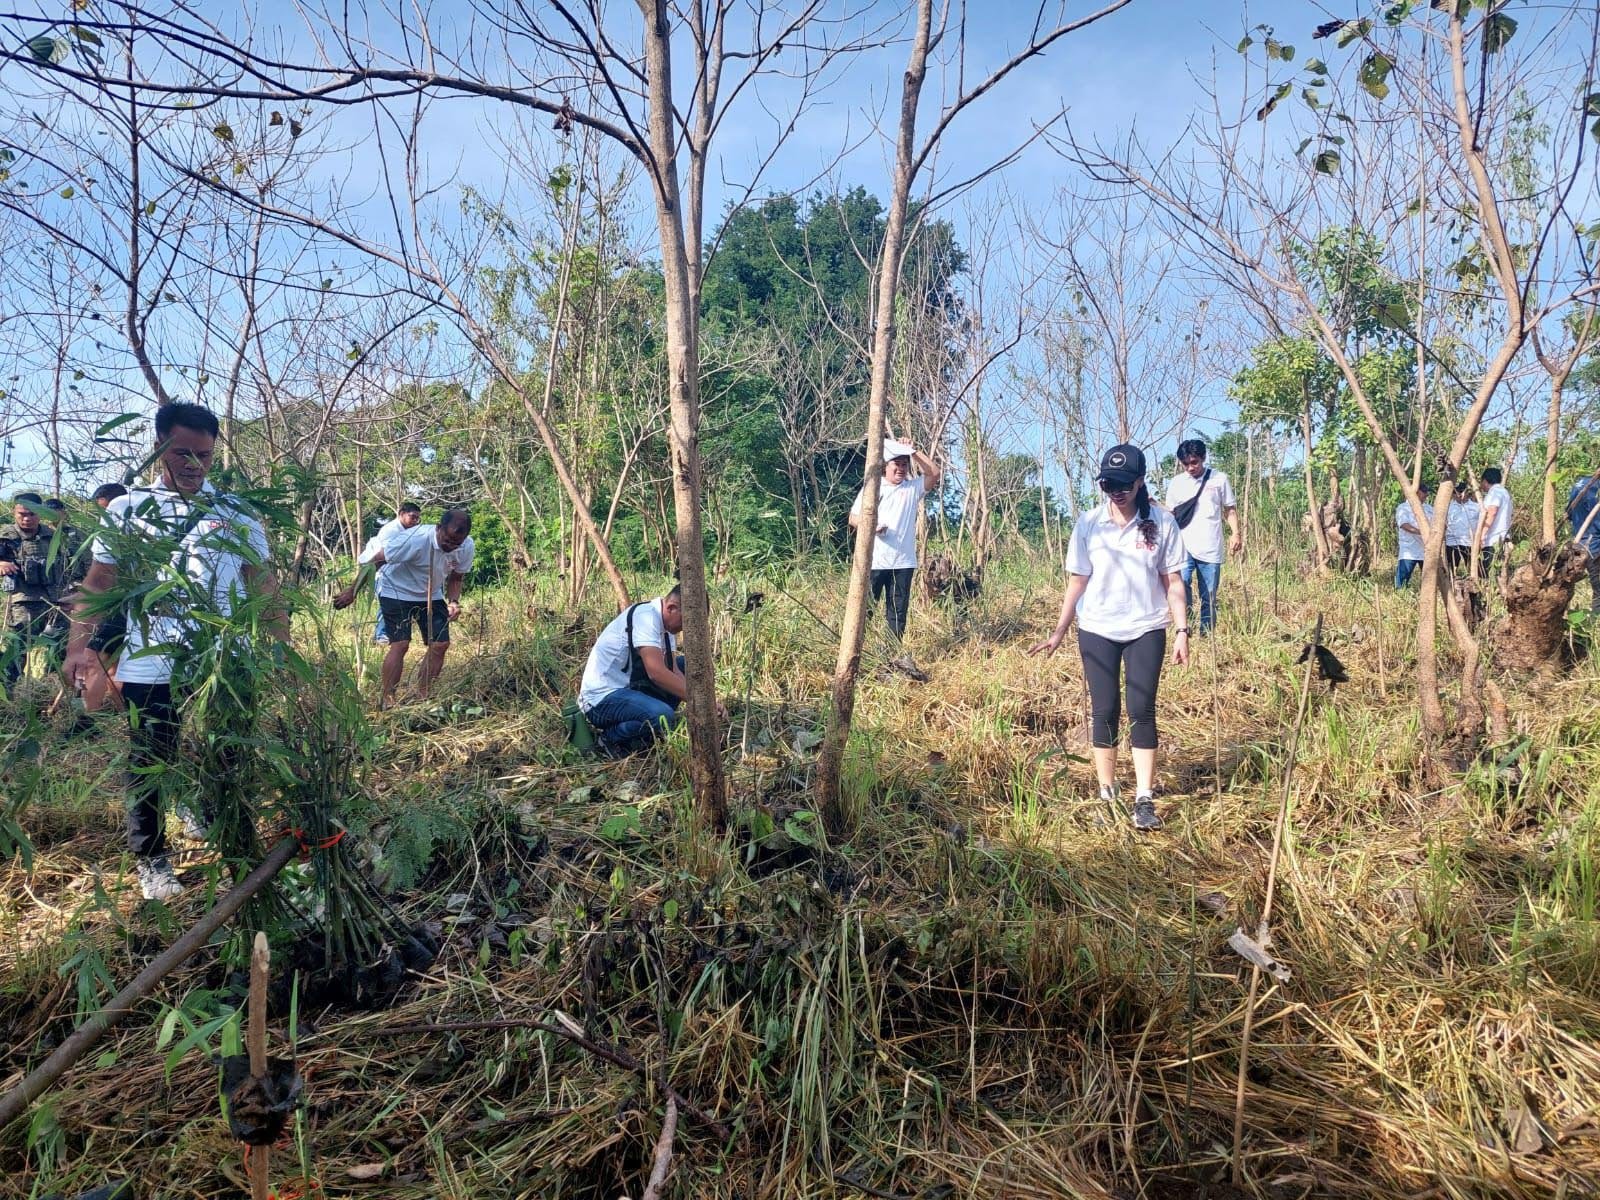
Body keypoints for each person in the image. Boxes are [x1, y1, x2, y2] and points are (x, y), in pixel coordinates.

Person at [63, 403, 282, 901]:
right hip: (151, 659)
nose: (193, 465)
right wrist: (79, 648)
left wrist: (279, 653)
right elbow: (100, 581)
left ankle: (228, 834)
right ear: (160, 446)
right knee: (149, 758)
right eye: (181, 453)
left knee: (229, 752)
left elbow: (263, 588)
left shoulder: (238, 511)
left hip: (225, 659)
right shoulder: (127, 510)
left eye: (204, 455)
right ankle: (152, 859)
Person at [1028, 444, 1188, 832]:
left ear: (1139, 482)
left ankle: (1144, 797)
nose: (1115, 492)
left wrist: (1182, 630)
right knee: (1104, 709)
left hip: (1146, 627)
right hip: (1097, 628)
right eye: (1108, 484)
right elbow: (1077, 581)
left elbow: (1174, 581)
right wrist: (1059, 631)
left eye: (1123, 485)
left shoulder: (1163, 523)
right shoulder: (1088, 523)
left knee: (1141, 709)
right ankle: (1107, 793)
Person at [333, 509, 473, 707]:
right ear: (438, 528)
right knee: (401, 644)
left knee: (440, 644)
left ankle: (422, 694)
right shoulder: (415, 539)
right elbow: (376, 560)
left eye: (456, 543)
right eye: (447, 539)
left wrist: (453, 602)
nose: (450, 546)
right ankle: (388, 697)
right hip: (395, 590)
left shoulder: (466, 547)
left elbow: (457, 577)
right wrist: (352, 591)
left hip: (431, 595)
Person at [577, 584, 720, 756]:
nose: (684, 629)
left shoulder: (666, 627)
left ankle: (649, 727)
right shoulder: (647, 618)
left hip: (627, 689)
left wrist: (707, 700)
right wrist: (703, 703)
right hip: (601, 701)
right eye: (685, 622)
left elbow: (673, 669)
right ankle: (610, 738)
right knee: (662, 716)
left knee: (687, 665)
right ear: (671, 608)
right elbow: (656, 673)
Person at [848, 437, 941, 648]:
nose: (900, 469)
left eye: (904, 464)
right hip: (874, 562)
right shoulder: (873, 488)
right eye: (896, 464)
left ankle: (890, 658)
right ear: (886, 466)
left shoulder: (912, 489)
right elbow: (853, 518)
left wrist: (912, 450)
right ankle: (857, 653)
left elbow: (934, 473)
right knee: (865, 611)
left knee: (897, 615)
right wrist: (872, 526)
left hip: (903, 563)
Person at [1163, 438, 1241, 634]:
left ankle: (1207, 634)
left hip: (1211, 546)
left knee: (1209, 595)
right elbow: (1170, 515)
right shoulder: (1176, 483)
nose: (1190, 467)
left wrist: (1236, 534)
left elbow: (1229, 509)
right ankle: (1185, 628)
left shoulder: (1219, 479)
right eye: (1186, 464)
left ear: (1203, 458)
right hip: (1183, 546)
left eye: (1194, 462)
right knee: (1182, 587)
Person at [1, 492, 73, 689]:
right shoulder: (6, 537)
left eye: (31, 514)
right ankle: (10, 693)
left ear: (40, 514)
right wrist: (2, 563)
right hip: (24, 603)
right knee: (17, 649)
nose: (26, 518)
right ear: (14, 512)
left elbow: (72, 564)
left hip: (56, 602)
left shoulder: (54, 536)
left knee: (59, 649)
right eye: (21, 514)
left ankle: (54, 690)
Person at [363, 501, 422, 645]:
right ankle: (381, 635)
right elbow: (384, 556)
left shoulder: (410, 531)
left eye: (417, 518)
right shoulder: (391, 531)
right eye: (412, 517)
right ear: (401, 514)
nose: (415, 521)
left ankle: (388, 633)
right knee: (386, 605)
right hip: (384, 574)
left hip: (399, 576)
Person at [1568, 467, 1600, 616]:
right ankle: (1595, 624)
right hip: (1594, 545)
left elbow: (1568, 513)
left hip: (1579, 543)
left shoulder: (1581, 483)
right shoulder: (1597, 489)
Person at [1475, 467, 1513, 571]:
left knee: (1489, 572)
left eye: (1481, 481)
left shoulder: (1494, 492)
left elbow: (1492, 512)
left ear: (1485, 480)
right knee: (1498, 571)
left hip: (1493, 540)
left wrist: (1482, 534)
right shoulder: (1504, 492)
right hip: (1502, 537)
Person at [1394, 490, 1432, 588]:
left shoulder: (1428, 508)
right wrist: (1422, 532)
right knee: (1402, 580)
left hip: (1426, 549)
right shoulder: (1403, 508)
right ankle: (1401, 595)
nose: (1426, 495)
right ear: (1417, 492)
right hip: (1409, 550)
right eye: (1424, 492)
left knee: (1430, 579)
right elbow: (1403, 524)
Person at [1442, 483, 1477, 576]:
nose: (1459, 494)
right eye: (1456, 492)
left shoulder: (1476, 507)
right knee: (1450, 569)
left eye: (1461, 491)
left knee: (1472, 568)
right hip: (1452, 542)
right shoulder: (1448, 507)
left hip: (1469, 542)